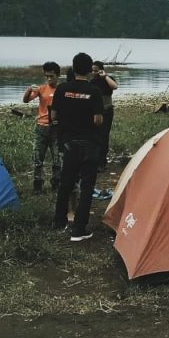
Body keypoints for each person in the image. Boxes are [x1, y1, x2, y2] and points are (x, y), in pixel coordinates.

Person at [51, 52, 105, 242]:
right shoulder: (94, 91)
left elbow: (54, 117)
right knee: (87, 187)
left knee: (66, 184)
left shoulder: (61, 89)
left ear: (73, 68)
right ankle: (79, 229)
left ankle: (59, 222)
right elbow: (97, 120)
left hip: (68, 142)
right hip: (89, 142)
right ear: (90, 70)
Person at [23, 61, 63, 194]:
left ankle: (56, 184)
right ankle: (37, 186)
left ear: (58, 75)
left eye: (52, 76)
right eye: (47, 76)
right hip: (41, 127)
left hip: (57, 128)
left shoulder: (62, 89)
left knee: (57, 159)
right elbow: (26, 100)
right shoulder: (42, 88)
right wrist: (29, 89)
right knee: (38, 159)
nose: (49, 79)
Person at [90, 60, 118, 170]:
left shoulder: (108, 79)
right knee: (95, 135)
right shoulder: (92, 82)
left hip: (107, 110)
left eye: (96, 70)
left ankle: (102, 162)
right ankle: (95, 160)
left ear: (101, 70)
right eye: (92, 70)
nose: (94, 73)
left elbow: (115, 86)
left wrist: (105, 76)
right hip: (96, 111)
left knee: (104, 136)